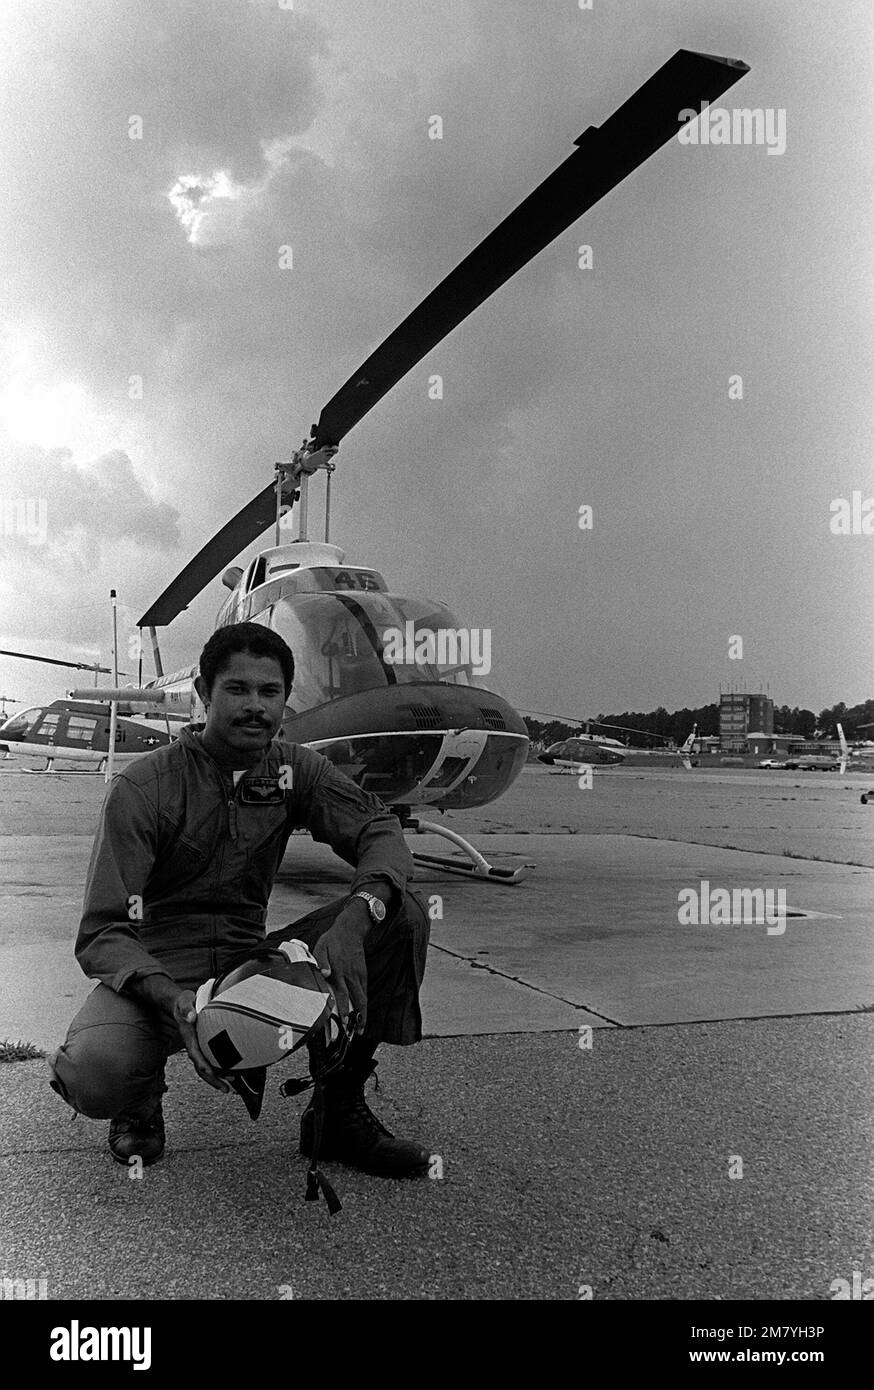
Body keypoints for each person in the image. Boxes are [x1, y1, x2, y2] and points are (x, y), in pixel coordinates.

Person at [47, 621, 432, 1178]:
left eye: (269, 692)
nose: (255, 706)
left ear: (284, 700)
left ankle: (337, 1112)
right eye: (237, 689)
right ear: (204, 695)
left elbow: (379, 830)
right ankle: (139, 1097)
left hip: (249, 962)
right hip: (158, 972)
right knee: (96, 1074)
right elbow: (103, 932)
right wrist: (173, 1000)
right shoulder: (144, 788)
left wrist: (357, 916)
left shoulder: (294, 770)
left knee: (402, 913)